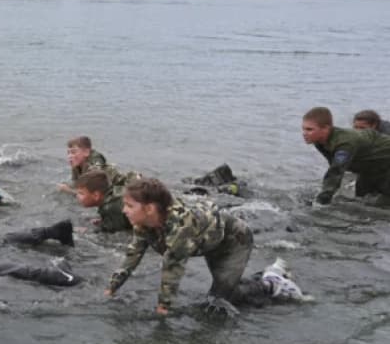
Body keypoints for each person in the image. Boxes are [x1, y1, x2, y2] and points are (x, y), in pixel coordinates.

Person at [104, 178, 304, 315]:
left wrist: (163, 308)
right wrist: (112, 288)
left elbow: (172, 268)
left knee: (219, 301)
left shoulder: (180, 227)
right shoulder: (144, 223)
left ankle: (272, 283)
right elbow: (132, 255)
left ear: (149, 209)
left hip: (234, 241)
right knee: (220, 295)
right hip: (209, 242)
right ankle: (267, 274)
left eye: (130, 206)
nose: (124, 210)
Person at [303, 106, 390, 205]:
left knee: (383, 202)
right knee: (361, 197)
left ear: (325, 129)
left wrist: (321, 200)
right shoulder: (319, 142)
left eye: (309, 129)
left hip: (385, 161)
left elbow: (336, 170)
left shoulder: (345, 143)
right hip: (371, 165)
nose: (304, 133)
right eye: (304, 129)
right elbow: (334, 166)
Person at [58, 136, 128, 193]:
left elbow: (92, 193)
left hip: (126, 185)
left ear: (86, 152)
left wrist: (69, 191)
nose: (69, 156)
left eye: (73, 152)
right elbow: (76, 184)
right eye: (68, 153)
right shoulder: (76, 165)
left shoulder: (94, 163)